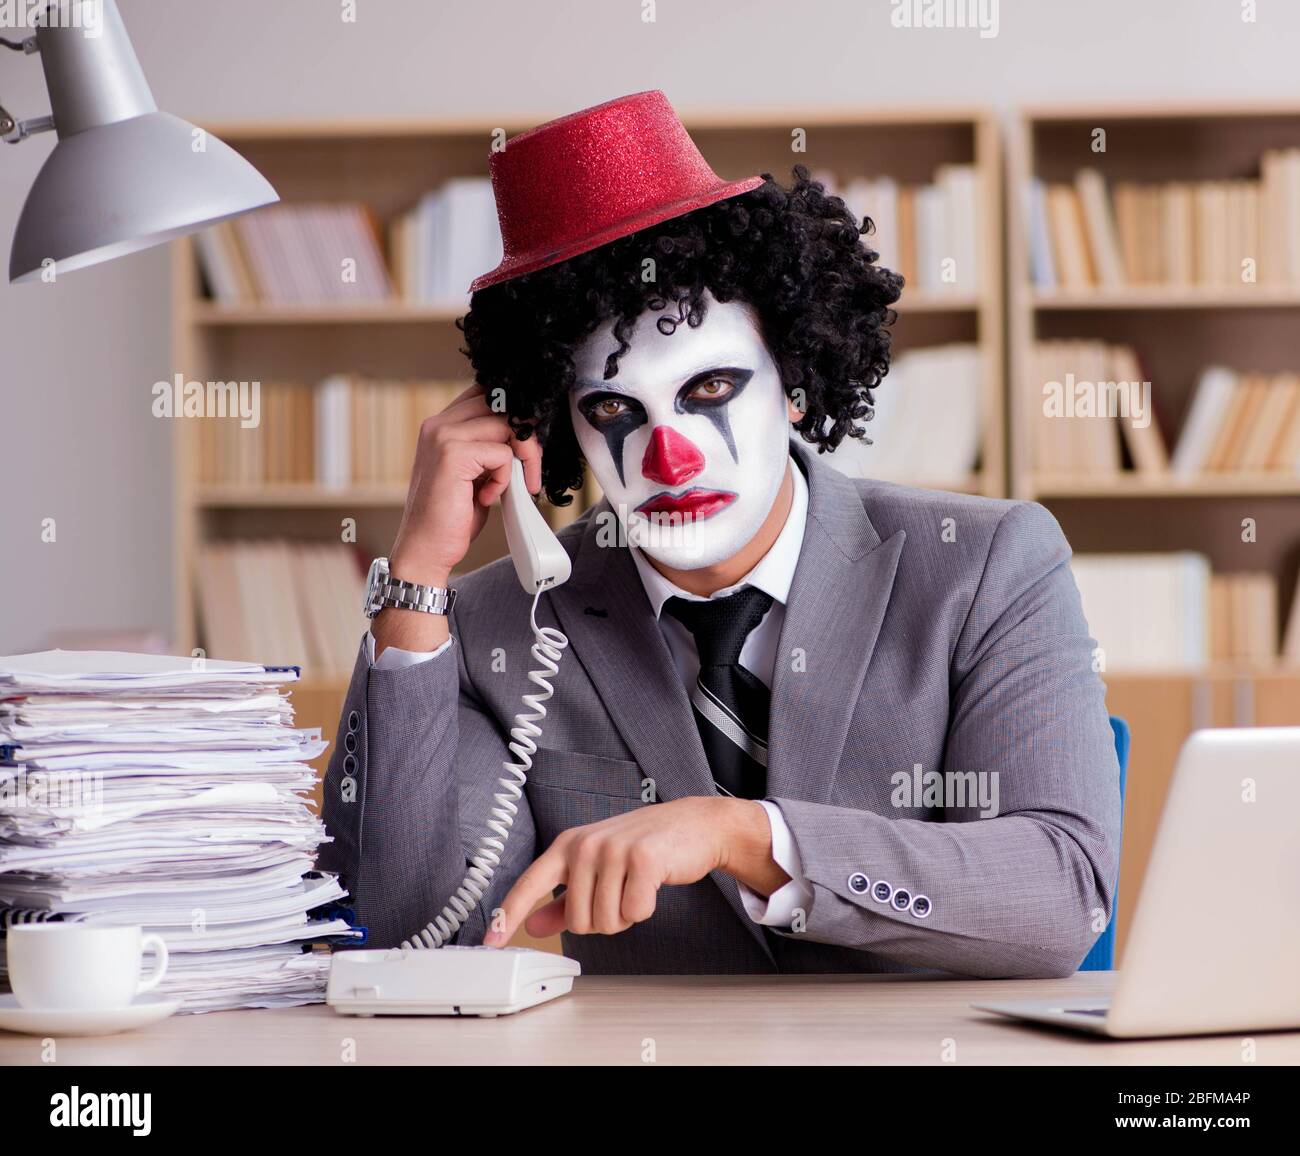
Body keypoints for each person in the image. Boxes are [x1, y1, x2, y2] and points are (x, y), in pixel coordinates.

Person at [318, 90, 1120, 978]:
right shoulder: (486, 629)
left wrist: (744, 833)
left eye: (709, 391)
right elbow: (418, 945)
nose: (670, 457)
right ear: (549, 428)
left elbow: (1061, 894)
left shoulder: (987, 566)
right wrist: (419, 580)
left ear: (795, 379)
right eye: (615, 408)